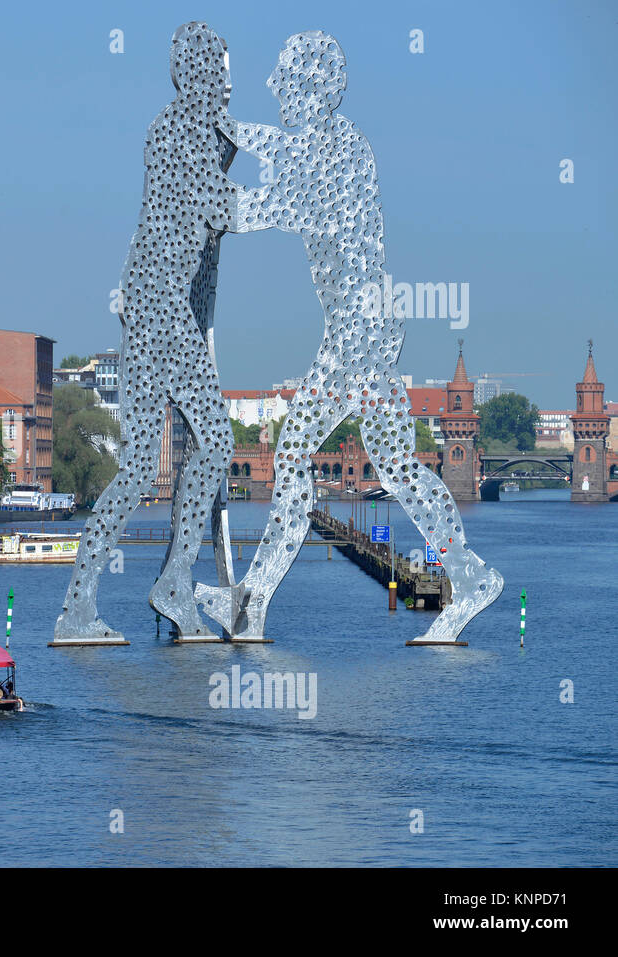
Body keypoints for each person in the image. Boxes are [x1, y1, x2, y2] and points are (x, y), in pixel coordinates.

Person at [197, 31, 502, 642]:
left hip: (358, 333)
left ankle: (252, 604)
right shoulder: (334, 142)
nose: (274, 88)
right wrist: (229, 127)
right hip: (365, 327)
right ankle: (467, 576)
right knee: (392, 466)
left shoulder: (335, 153)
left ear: (311, 88)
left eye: (283, 79)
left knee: (294, 457)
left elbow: (271, 206)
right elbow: (282, 148)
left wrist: (206, 201)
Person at [54, 21, 237, 643]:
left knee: (170, 455)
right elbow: (221, 210)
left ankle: (150, 590)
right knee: (194, 446)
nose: (229, 88)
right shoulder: (180, 129)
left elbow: (207, 232)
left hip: (162, 310)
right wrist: (298, 199)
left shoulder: (185, 131)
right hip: (159, 310)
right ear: (195, 74)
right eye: (221, 74)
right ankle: (124, 595)